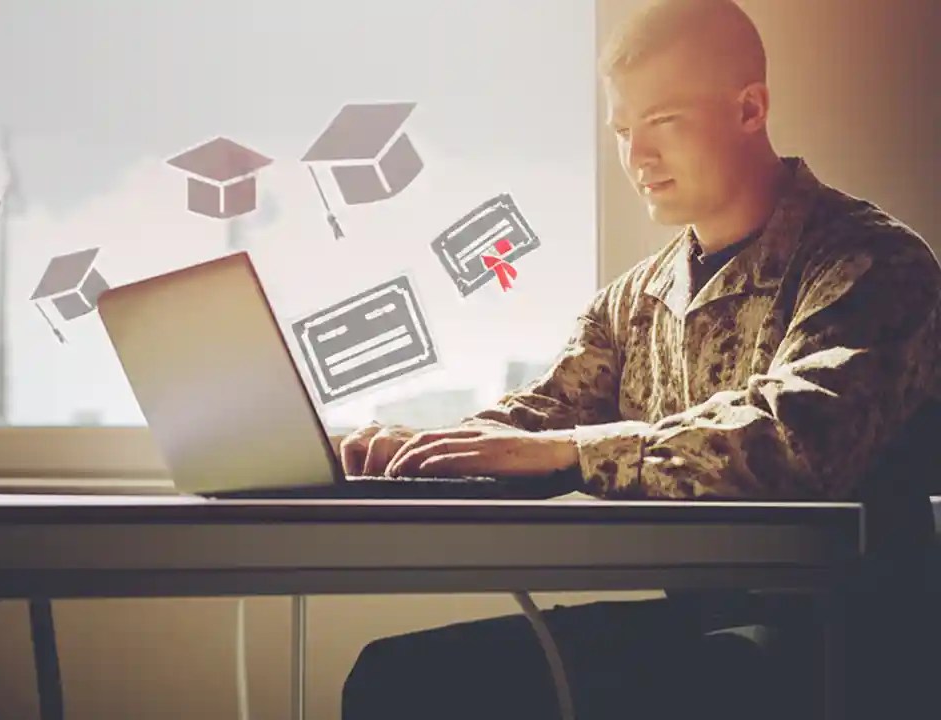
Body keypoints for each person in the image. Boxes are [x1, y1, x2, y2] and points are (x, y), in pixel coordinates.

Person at [338, 0, 940, 718]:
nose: (637, 156)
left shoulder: (874, 263)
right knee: (400, 677)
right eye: (624, 130)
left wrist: (567, 452)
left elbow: (798, 438)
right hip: (713, 626)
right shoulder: (634, 300)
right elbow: (541, 419)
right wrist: (422, 449)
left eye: (663, 121)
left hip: (848, 644)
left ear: (750, 109)